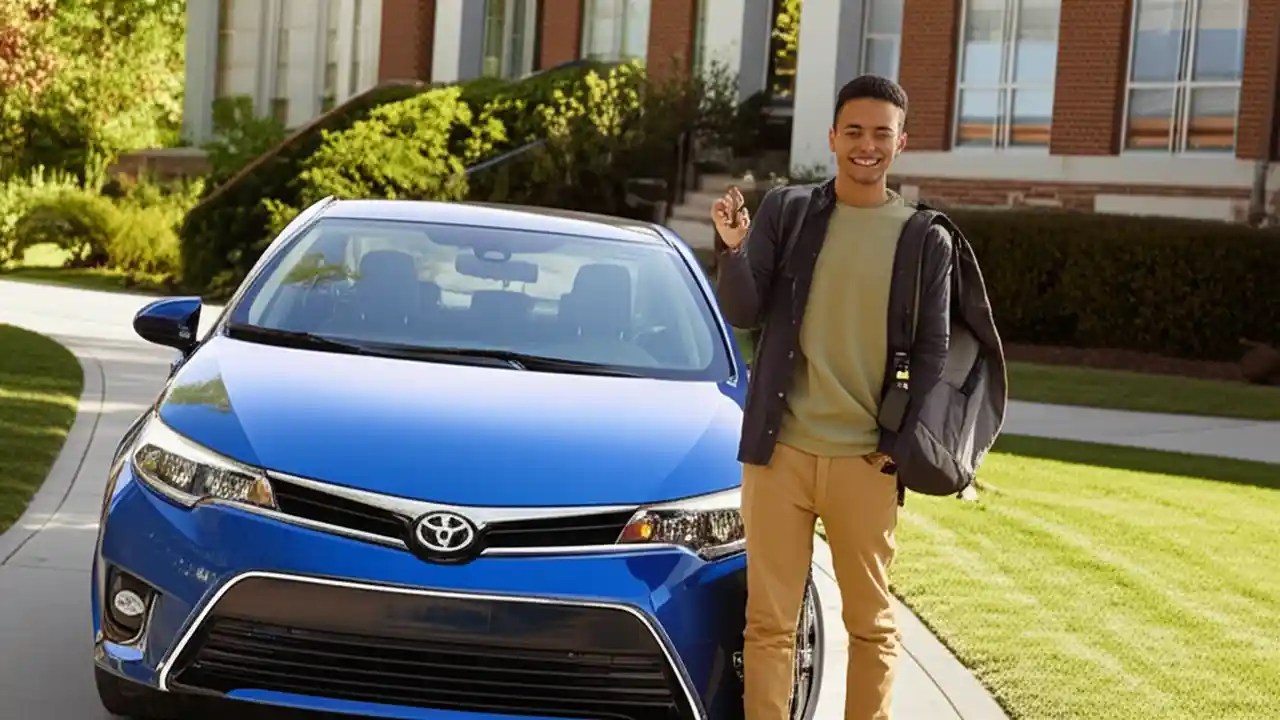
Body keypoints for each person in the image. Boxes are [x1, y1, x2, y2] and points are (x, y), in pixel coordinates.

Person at [710, 75, 954, 720]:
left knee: (871, 625)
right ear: (832, 138)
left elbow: (933, 352)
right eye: (854, 131)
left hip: (866, 462)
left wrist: (897, 445)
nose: (866, 145)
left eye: (880, 133)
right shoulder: (787, 212)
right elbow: (745, 311)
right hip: (780, 455)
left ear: (901, 142)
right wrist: (734, 251)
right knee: (769, 623)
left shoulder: (924, 238)